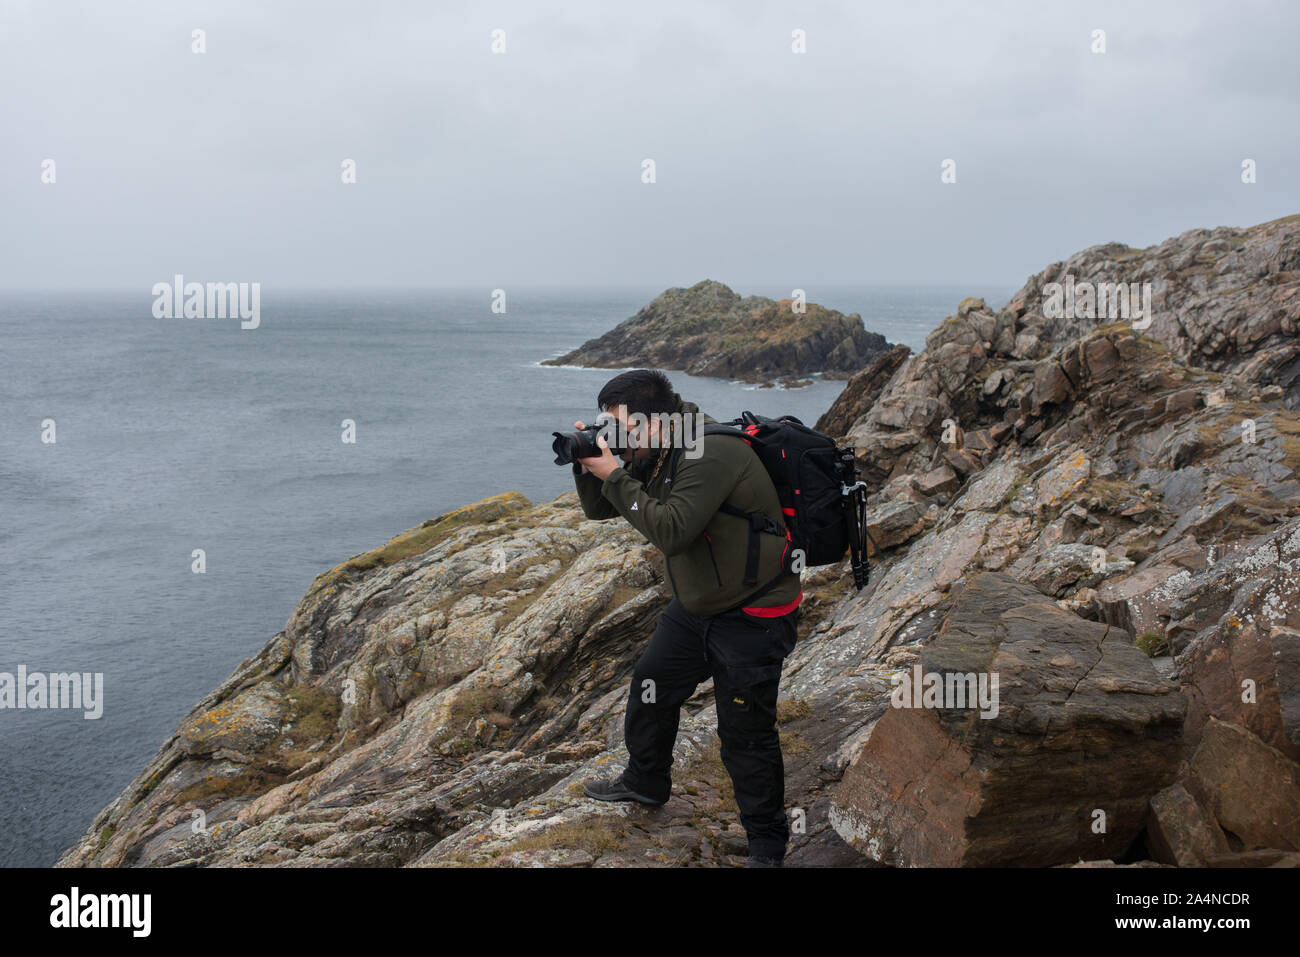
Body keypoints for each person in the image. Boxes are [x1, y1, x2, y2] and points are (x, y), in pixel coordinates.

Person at [570, 369, 801, 868]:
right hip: (698, 606)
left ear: (654, 422)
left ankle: (767, 847)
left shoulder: (707, 452)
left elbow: (672, 531)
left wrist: (613, 472)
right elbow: (601, 512)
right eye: (607, 426)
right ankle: (646, 782)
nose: (616, 437)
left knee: (745, 734)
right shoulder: (659, 450)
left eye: (620, 426)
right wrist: (587, 462)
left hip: (753, 611)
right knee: (652, 684)